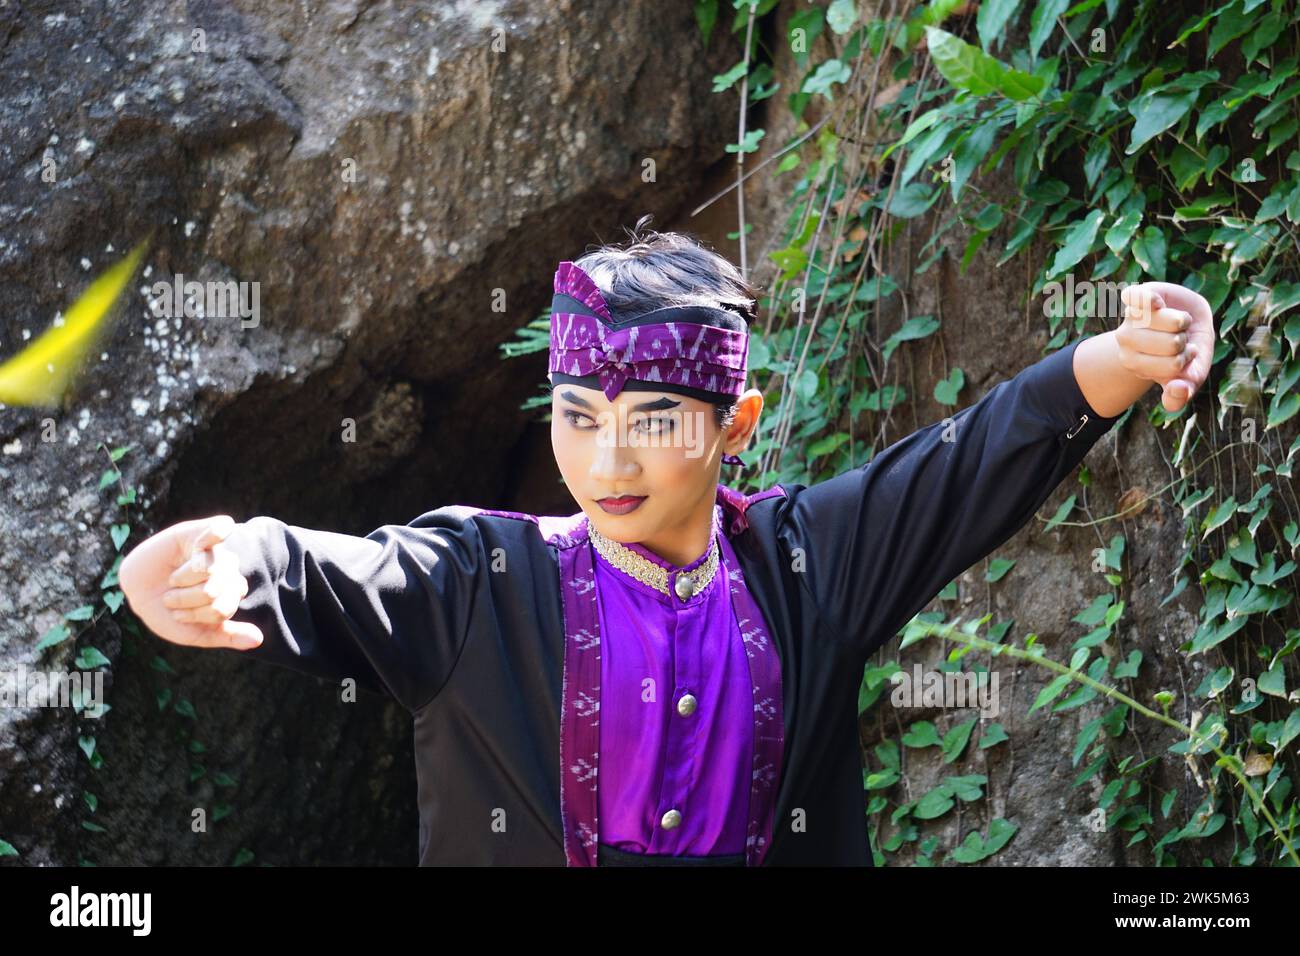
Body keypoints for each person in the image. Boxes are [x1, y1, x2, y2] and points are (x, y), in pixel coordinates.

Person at [118, 222, 1214, 866]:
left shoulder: (806, 563)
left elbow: (965, 462)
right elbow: (322, 566)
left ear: (734, 425)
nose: (608, 463)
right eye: (577, 418)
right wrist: (218, 559)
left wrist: (1123, 353)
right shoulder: (477, 582)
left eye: (654, 420)